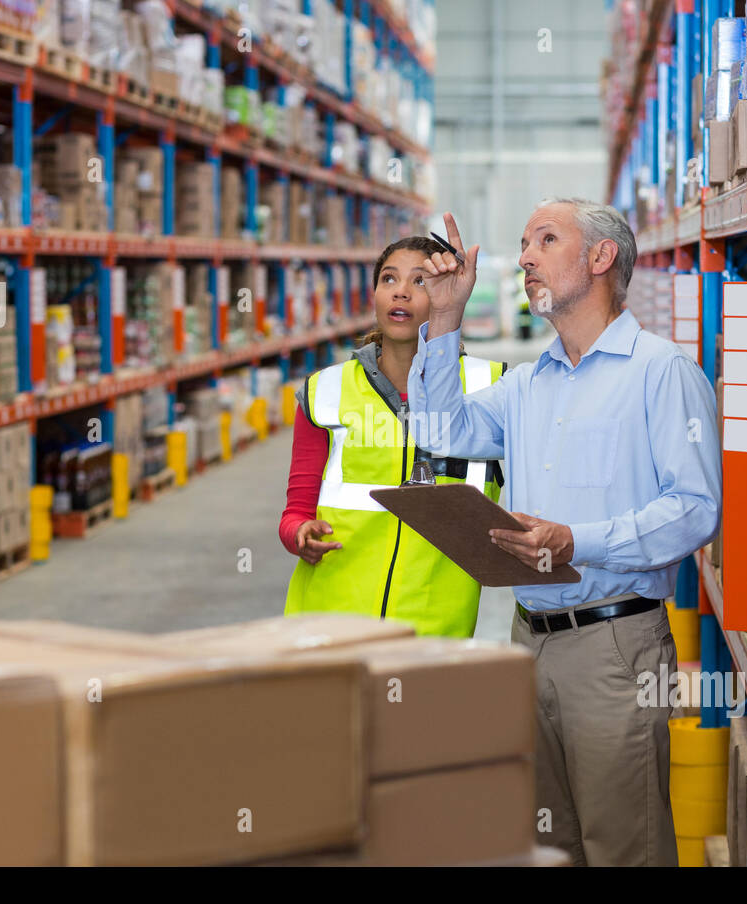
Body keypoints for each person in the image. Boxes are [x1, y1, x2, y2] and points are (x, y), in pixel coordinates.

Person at [408, 201, 721, 866]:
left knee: (624, 845)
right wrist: (443, 320)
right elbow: (437, 434)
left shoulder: (661, 372)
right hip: (530, 639)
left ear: (602, 258)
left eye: (546, 240)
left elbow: (696, 509)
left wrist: (577, 541)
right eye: (523, 243)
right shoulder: (528, 385)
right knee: (547, 846)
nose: (525, 257)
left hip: (614, 647)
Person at [281, 237, 506, 637]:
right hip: (332, 619)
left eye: (420, 281)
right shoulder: (325, 392)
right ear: (374, 295)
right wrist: (299, 534)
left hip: (434, 625)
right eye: (389, 279)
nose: (400, 290)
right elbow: (296, 510)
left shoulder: (489, 388)